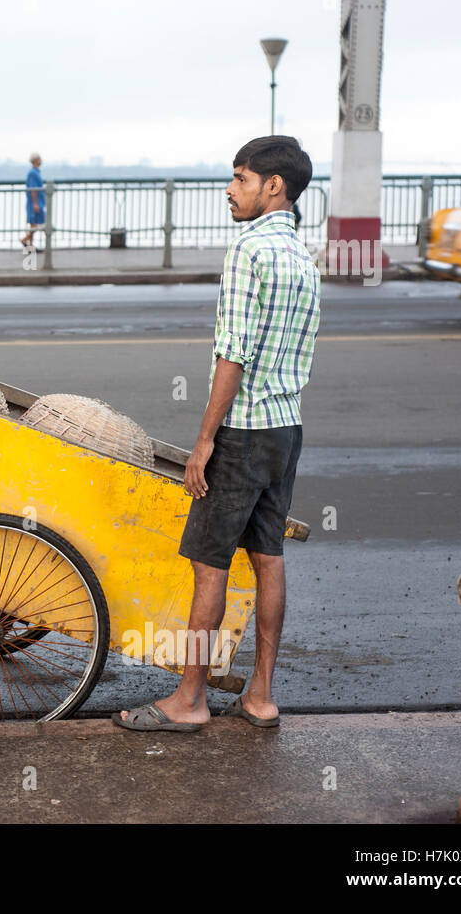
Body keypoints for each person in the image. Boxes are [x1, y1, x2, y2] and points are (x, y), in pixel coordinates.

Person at [113, 136, 320, 733]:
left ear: (271, 185)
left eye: (240, 178)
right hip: (286, 429)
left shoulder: (250, 252)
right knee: (269, 559)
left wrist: (205, 439)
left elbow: (232, 355)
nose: (229, 190)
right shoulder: (303, 258)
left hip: (244, 432)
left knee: (209, 565)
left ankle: (190, 699)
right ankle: (260, 696)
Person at [21, 152, 45, 248]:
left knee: (34, 224)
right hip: (34, 202)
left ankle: (30, 245)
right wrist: (35, 203)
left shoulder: (36, 172)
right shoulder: (32, 173)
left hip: (38, 201)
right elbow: (33, 189)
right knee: (34, 224)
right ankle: (25, 240)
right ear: (36, 160)